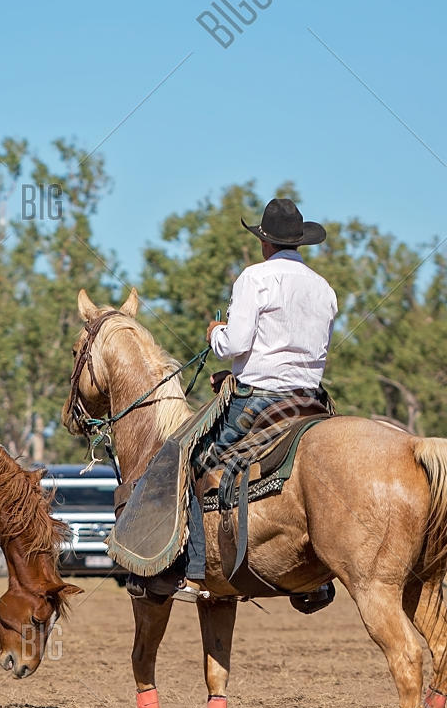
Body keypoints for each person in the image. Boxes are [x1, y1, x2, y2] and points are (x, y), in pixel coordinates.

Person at [132, 198, 339, 604]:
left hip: (260, 404)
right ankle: (319, 576)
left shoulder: (253, 279)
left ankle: (191, 574)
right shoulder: (323, 288)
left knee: (187, 460)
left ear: (265, 242)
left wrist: (215, 333)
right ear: (300, 243)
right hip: (311, 403)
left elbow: (237, 343)